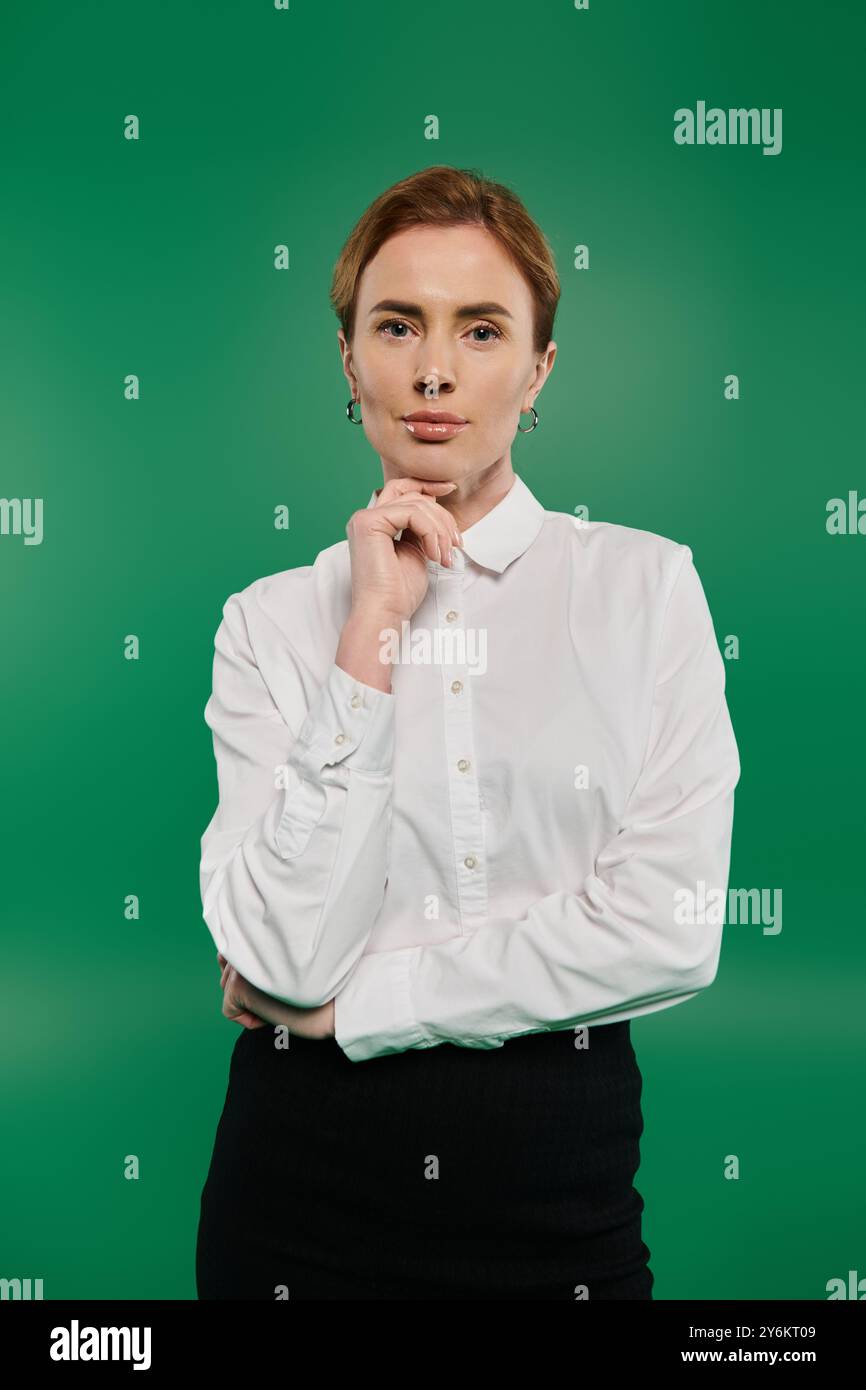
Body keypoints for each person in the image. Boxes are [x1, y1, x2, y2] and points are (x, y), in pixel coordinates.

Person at [195, 164, 741, 1301]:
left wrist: (357, 1007)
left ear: (538, 368)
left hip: (558, 1188)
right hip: (294, 1195)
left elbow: (668, 930)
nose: (434, 368)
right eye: (397, 325)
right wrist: (369, 637)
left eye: (480, 330)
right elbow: (285, 956)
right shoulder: (266, 622)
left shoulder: (645, 587)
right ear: (348, 358)